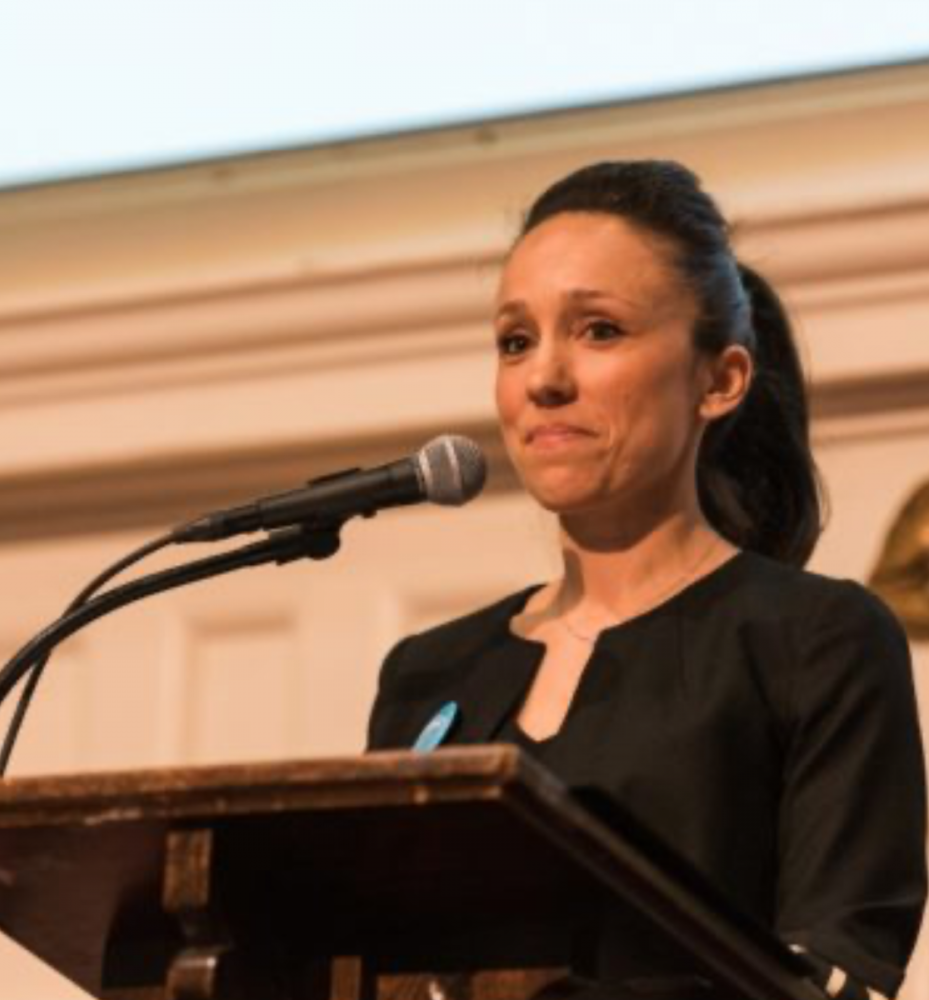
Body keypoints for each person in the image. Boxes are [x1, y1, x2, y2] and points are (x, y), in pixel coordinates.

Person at [367, 161, 927, 999]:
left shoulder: (816, 642)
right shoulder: (427, 674)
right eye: (516, 341)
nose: (544, 379)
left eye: (599, 331)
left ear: (720, 379)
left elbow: (836, 976)